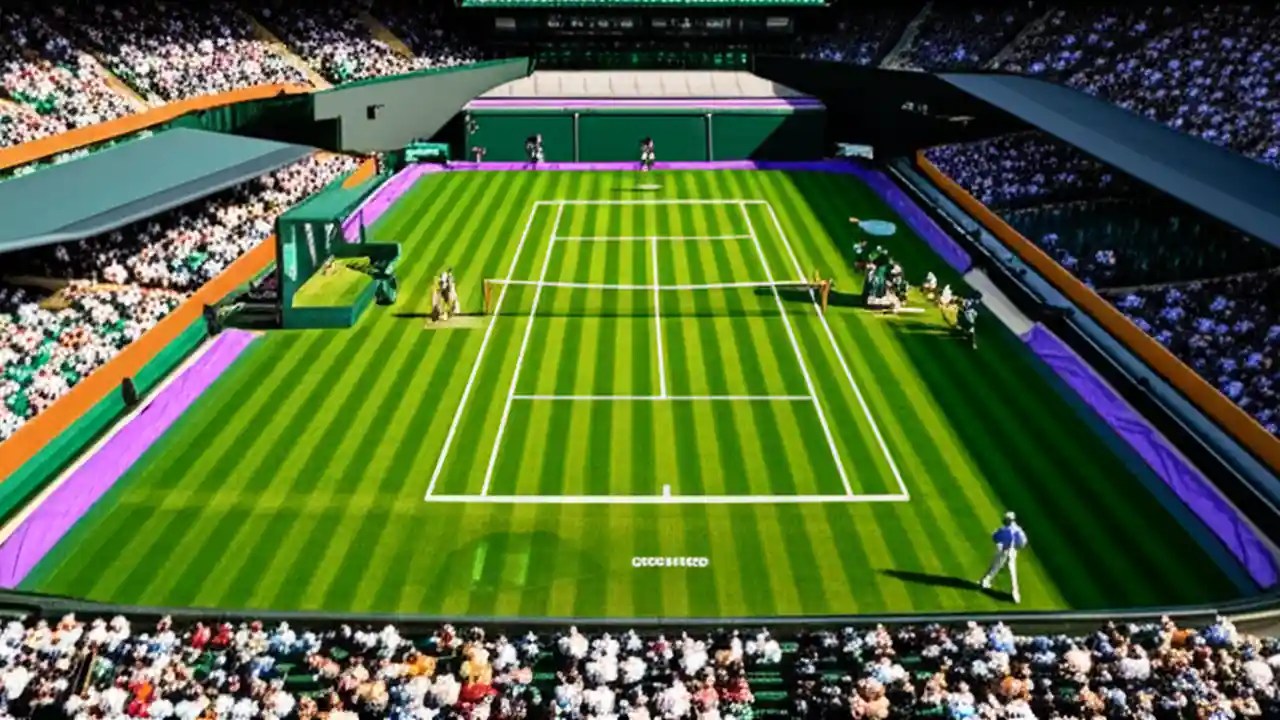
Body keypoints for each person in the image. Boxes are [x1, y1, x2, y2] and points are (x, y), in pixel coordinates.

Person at [980, 511, 1028, 603]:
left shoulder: (1004, 530)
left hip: (1004, 551)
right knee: (1012, 573)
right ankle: (1015, 594)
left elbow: (995, 537)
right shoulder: (1019, 530)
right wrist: (1015, 548)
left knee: (995, 566)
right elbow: (1023, 543)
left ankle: (985, 581)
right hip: (1012, 552)